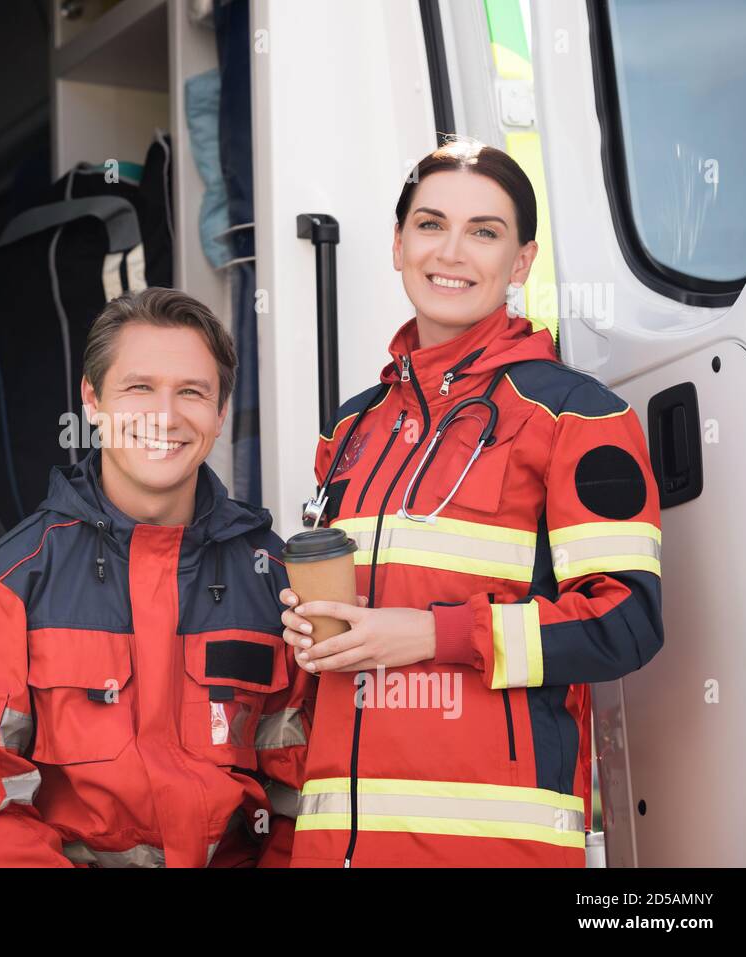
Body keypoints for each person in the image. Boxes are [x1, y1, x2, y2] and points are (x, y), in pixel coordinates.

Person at [282, 139, 664, 867]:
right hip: (336, 850)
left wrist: (431, 635)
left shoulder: (577, 417)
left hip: (493, 852)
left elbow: (627, 623)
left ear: (520, 262)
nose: (450, 251)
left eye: (484, 232)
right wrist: (308, 626)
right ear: (398, 245)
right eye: (430, 225)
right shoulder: (350, 427)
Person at [0, 287, 313, 867]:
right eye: (139, 388)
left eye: (193, 393)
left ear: (220, 412)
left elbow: (309, 797)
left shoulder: (277, 582)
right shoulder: (4, 585)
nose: (166, 415)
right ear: (92, 399)